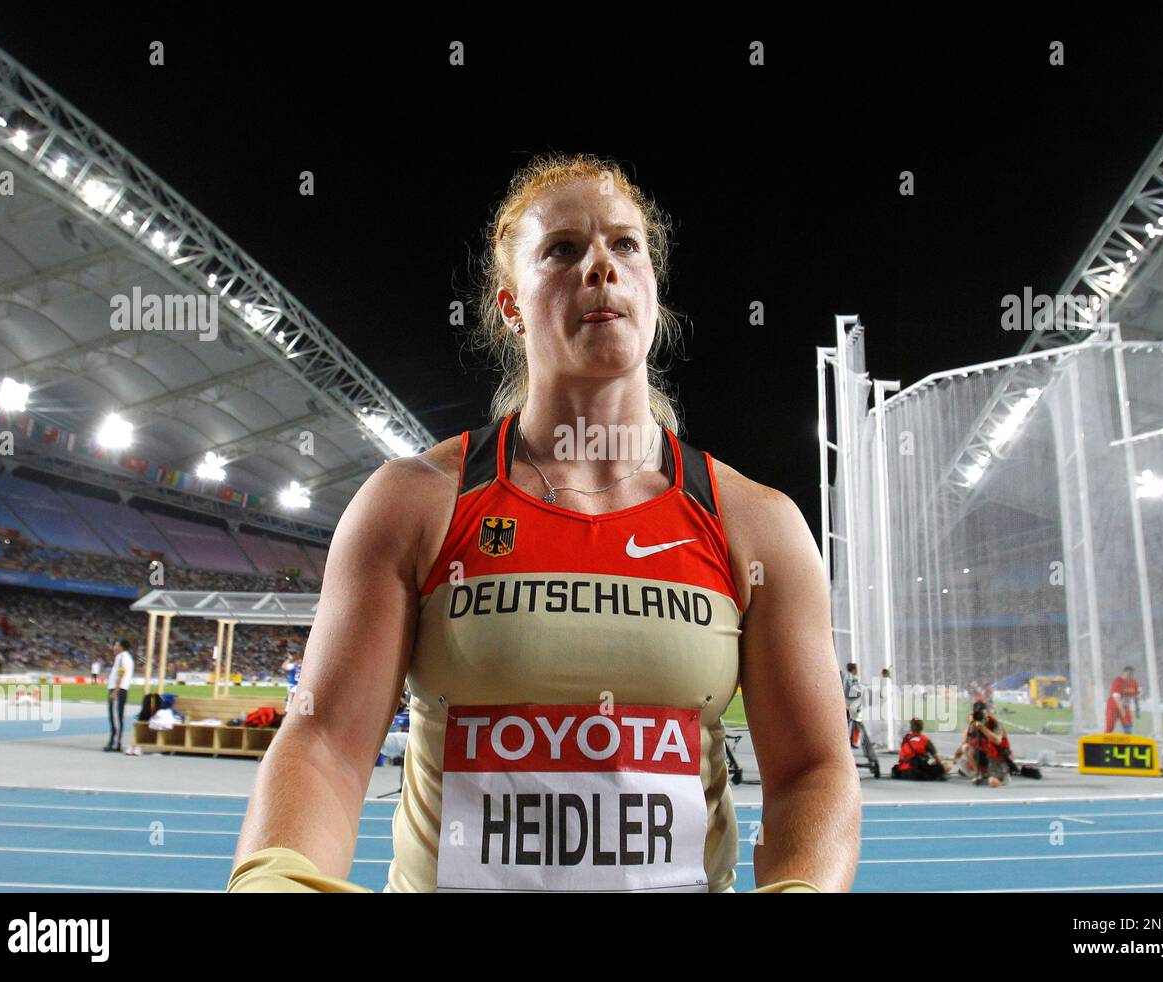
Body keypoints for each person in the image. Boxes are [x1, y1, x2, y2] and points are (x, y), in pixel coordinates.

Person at [228, 152, 861, 894]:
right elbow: (326, 742)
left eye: (625, 244)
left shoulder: (757, 523)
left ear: (653, 286)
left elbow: (813, 771)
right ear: (510, 306)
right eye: (563, 249)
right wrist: (278, 878)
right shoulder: (415, 502)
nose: (601, 265)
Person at [104, 639, 133, 752]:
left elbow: (121, 673)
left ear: (121, 647)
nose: (114, 647)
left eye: (116, 645)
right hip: (119, 689)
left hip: (118, 690)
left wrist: (115, 691)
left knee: (116, 718)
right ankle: (114, 741)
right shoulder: (124, 657)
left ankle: (115, 743)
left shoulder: (122, 657)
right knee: (116, 717)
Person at [1105, 665, 1140, 734]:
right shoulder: (1118, 681)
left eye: (1131, 674)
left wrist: (1137, 708)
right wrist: (1122, 710)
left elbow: (1136, 696)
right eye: (1128, 674)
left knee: (1128, 725)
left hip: (1125, 706)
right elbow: (1116, 698)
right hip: (1113, 707)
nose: (1130, 676)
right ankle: (1106, 740)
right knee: (1110, 726)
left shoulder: (1134, 683)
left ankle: (1127, 740)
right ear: (1124, 673)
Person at [841, 662, 864, 747]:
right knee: (854, 723)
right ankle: (851, 741)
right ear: (854, 669)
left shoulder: (846, 676)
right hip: (851, 704)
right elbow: (852, 690)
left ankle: (850, 741)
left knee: (850, 723)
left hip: (849, 704)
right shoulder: (851, 678)